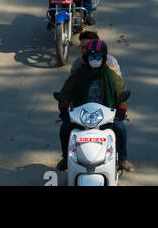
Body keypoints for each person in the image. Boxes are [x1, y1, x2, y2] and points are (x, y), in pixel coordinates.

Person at [54, 39, 133, 174]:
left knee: (120, 128)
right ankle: (66, 159)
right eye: (91, 56)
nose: (94, 59)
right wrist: (63, 108)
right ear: (86, 57)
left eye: (97, 56)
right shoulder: (78, 75)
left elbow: (122, 92)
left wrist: (121, 109)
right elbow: (65, 93)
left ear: (103, 58)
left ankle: (123, 159)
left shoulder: (111, 75)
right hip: (81, 115)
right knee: (65, 127)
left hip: (106, 115)